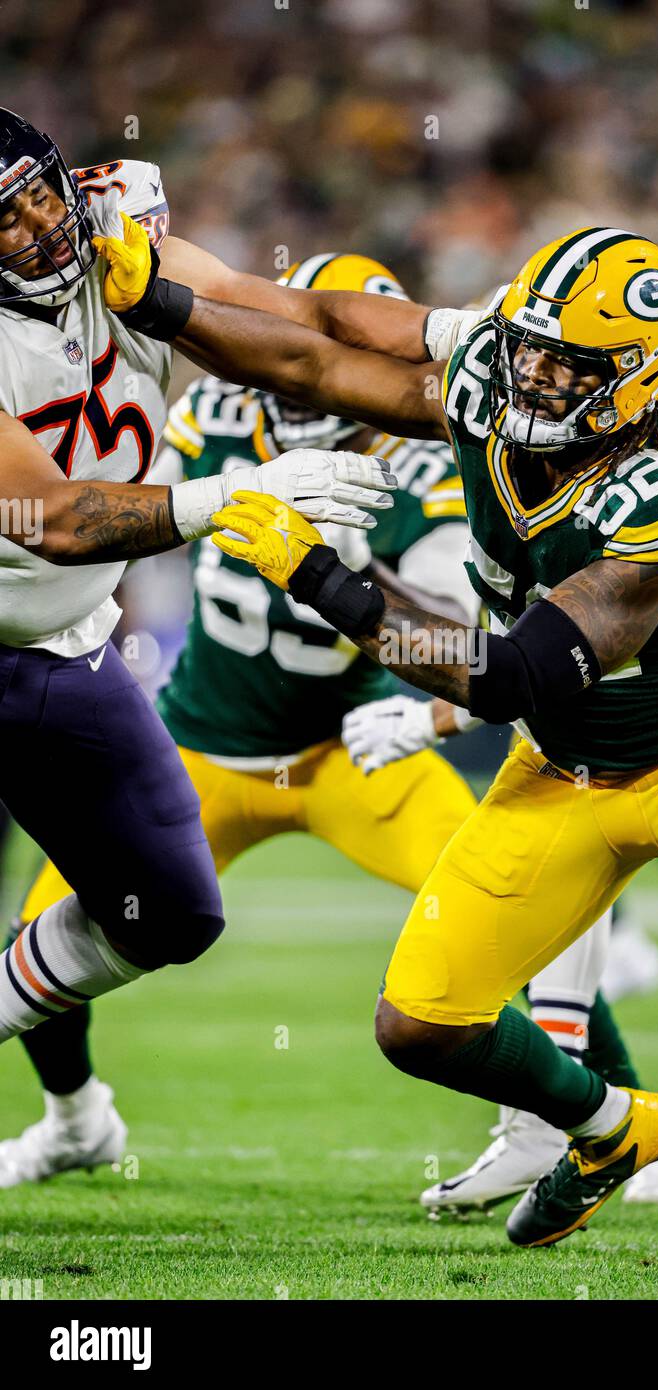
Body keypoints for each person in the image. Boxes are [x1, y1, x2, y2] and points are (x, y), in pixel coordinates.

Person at [96, 215, 658, 1249]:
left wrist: (323, 574)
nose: (532, 375)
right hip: (563, 761)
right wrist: (156, 299)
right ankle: (611, 1128)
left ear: (637, 378)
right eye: (527, 345)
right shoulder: (499, 371)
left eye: (564, 364)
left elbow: (510, 673)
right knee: (418, 1023)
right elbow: (313, 344)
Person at [0, 253, 480, 1185]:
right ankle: (72, 1119)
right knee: (49, 917)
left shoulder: (426, 474)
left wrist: (347, 580)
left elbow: (460, 647)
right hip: (202, 739)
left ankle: (577, 1116)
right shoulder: (211, 413)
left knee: (505, 894)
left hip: (349, 749)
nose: (297, 394)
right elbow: (84, 514)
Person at [0, 111, 391, 1107]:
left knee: (170, 912)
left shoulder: (122, 245)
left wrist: (448, 336)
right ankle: (74, 1114)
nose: (43, 224)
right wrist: (227, 500)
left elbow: (288, 324)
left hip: (61, 649)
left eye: (44, 191)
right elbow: (47, 518)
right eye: (7, 217)